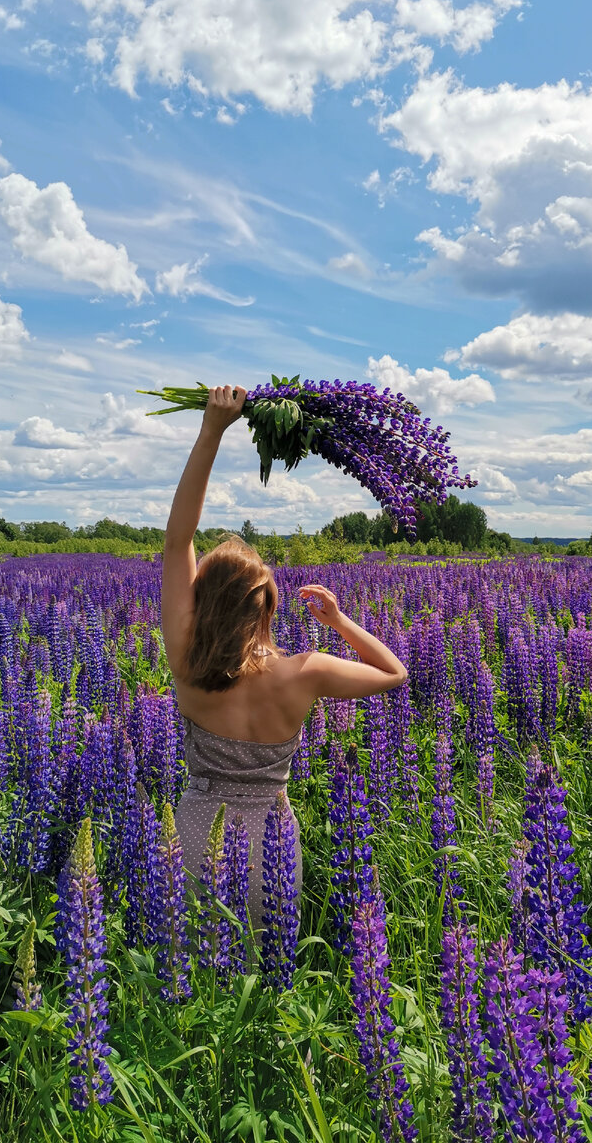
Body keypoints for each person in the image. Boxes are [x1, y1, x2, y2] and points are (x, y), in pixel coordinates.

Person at [162, 383, 408, 947]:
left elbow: (178, 540)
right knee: (266, 978)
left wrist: (211, 431)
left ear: (202, 602)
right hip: (270, 847)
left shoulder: (186, 661)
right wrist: (341, 622)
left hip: (196, 839)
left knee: (190, 984)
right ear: (267, 603)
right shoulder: (306, 671)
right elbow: (395, 673)